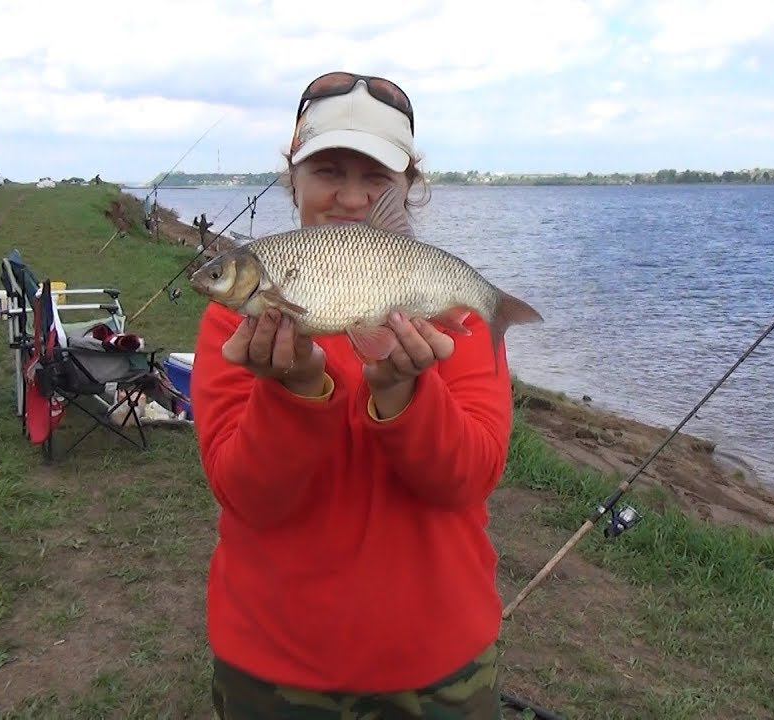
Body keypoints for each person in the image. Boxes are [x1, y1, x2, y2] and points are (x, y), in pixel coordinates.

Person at [191, 71, 513, 719]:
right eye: (329, 172)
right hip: (274, 663)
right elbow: (247, 494)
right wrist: (295, 390)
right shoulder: (237, 321)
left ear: (407, 191)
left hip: (439, 662)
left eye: (376, 180)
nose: (351, 198)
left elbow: (469, 479)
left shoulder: (451, 315)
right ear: (294, 178)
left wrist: (404, 393)